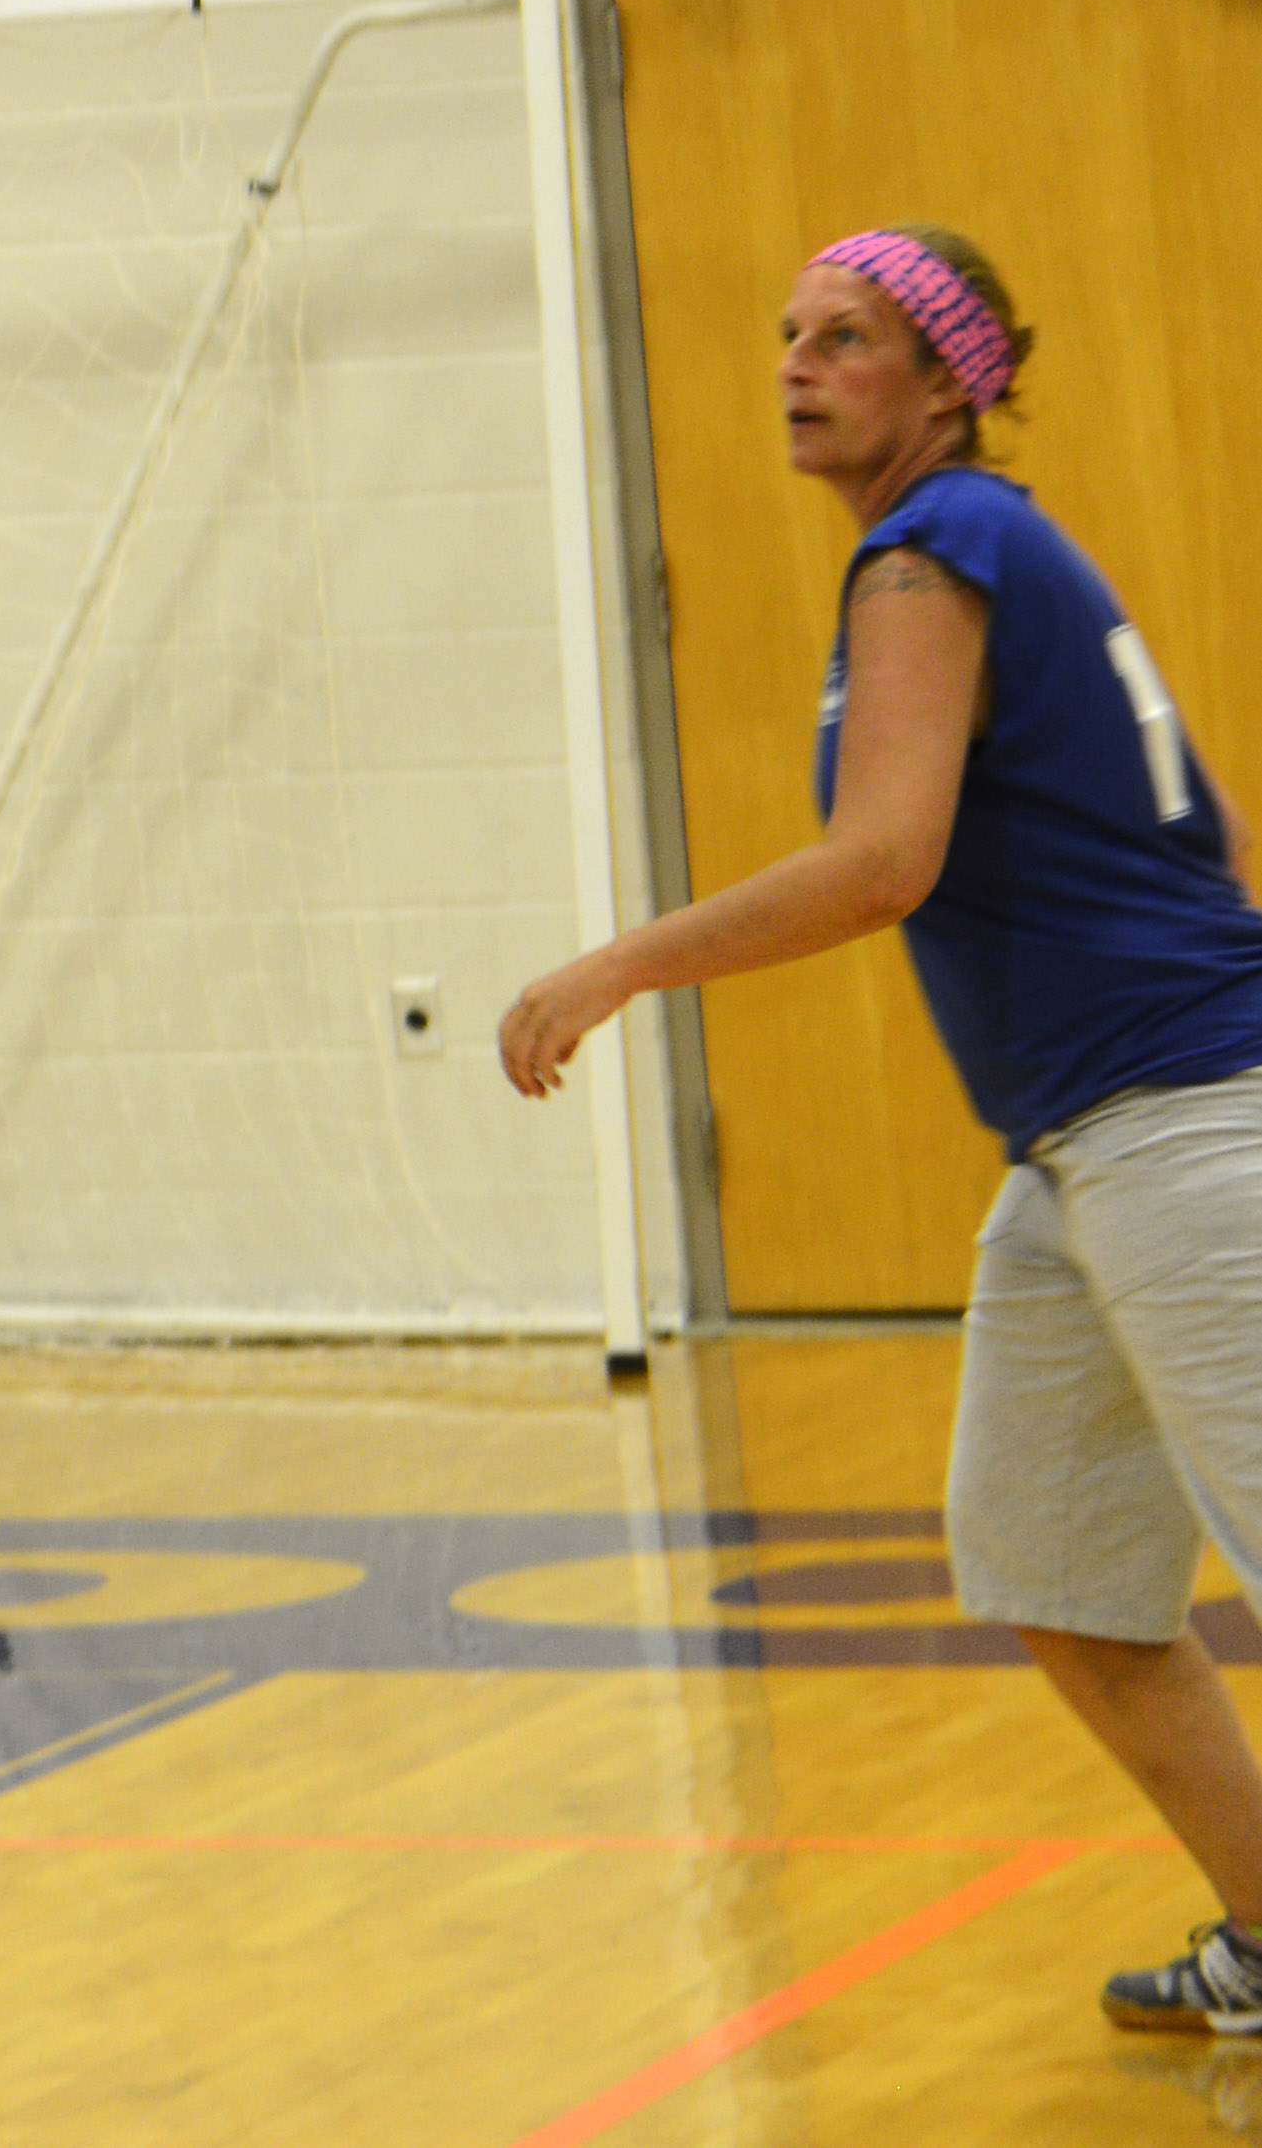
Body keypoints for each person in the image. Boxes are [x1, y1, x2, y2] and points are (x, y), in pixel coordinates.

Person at [501, 225, 1262, 2036]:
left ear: (949, 381)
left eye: (843, 338)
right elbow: (1195, 838)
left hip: (1183, 1128)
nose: (792, 363)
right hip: (1087, 1150)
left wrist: (615, 964)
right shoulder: (980, 551)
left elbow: (877, 864)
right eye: (783, 333)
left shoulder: (937, 545)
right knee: (1057, 1575)